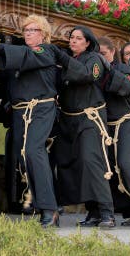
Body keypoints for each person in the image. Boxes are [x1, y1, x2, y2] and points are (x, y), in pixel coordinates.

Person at [0, 15, 59, 227]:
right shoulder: (22, 59)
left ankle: (50, 208)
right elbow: (4, 82)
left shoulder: (45, 51)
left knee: (34, 151)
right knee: (25, 157)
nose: (28, 33)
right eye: (26, 30)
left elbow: (24, 56)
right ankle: (43, 208)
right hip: (21, 113)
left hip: (40, 108)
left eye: (33, 30)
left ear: (44, 34)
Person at [53, 26, 116, 228]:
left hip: (90, 118)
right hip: (69, 120)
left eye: (78, 38)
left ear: (88, 42)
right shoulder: (67, 62)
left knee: (92, 162)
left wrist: (62, 59)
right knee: (80, 166)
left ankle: (107, 213)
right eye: (71, 37)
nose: (73, 41)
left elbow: (87, 75)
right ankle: (94, 212)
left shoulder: (94, 59)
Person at [96, 37, 130, 227]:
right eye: (97, 54)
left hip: (127, 122)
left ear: (112, 52)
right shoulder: (95, 72)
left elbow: (128, 88)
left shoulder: (123, 69)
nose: (100, 57)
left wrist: (108, 69)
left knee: (128, 163)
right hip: (106, 126)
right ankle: (129, 212)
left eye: (103, 53)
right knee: (110, 169)